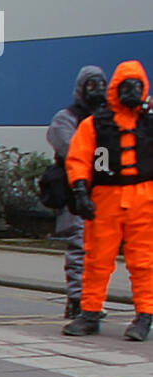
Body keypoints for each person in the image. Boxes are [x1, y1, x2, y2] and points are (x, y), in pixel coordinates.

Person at [63, 59, 153, 341]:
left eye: (137, 86)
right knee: (97, 259)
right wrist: (80, 190)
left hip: (144, 198)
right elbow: (79, 158)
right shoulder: (95, 124)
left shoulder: (149, 123)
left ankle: (144, 315)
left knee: (144, 261)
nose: (131, 91)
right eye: (126, 86)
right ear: (116, 88)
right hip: (106, 197)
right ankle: (90, 312)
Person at [46, 66, 107, 319]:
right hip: (75, 191)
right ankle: (76, 299)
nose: (98, 91)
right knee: (79, 245)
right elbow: (73, 149)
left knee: (100, 250)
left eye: (101, 85)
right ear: (82, 88)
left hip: (102, 190)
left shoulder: (107, 117)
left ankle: (91, 300)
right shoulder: (66, 118)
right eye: (92, 85)